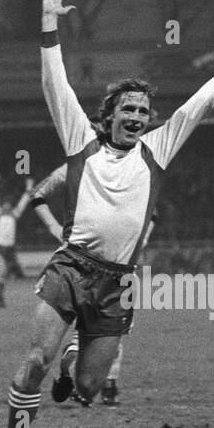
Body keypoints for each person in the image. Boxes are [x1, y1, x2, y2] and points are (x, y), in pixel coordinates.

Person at [0, 0, 214, 428]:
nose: (137, 118)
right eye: (128, 110)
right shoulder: (81, 141)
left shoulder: (157, 150)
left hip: (116, 283)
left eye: (143, 112)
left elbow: (199, 104)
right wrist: (48, 22)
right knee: (35, 358)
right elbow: (54, 83)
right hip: (72, 268)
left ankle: (74, 362)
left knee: (88, 390)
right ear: (109, 116)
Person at [29, 162, 157, 408]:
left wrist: (140, 240)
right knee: (105, 331)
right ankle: (99, 382)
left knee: (104, 332)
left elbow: (152, 211)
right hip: (87, 265)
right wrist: (55, 228)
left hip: (109, 266)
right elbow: (37, 193)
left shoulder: (128, 165)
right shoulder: (81, 165)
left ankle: (81, 372)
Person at [0, 173, 33, 307]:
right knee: (1, 272)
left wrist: (29, 188)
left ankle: (0, 297)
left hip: (10, 249)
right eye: (4, 204)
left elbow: (23, 202)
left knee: (6, 274)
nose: (6, 206)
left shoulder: (15, 214)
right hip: (0, 248)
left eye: (8, 204)